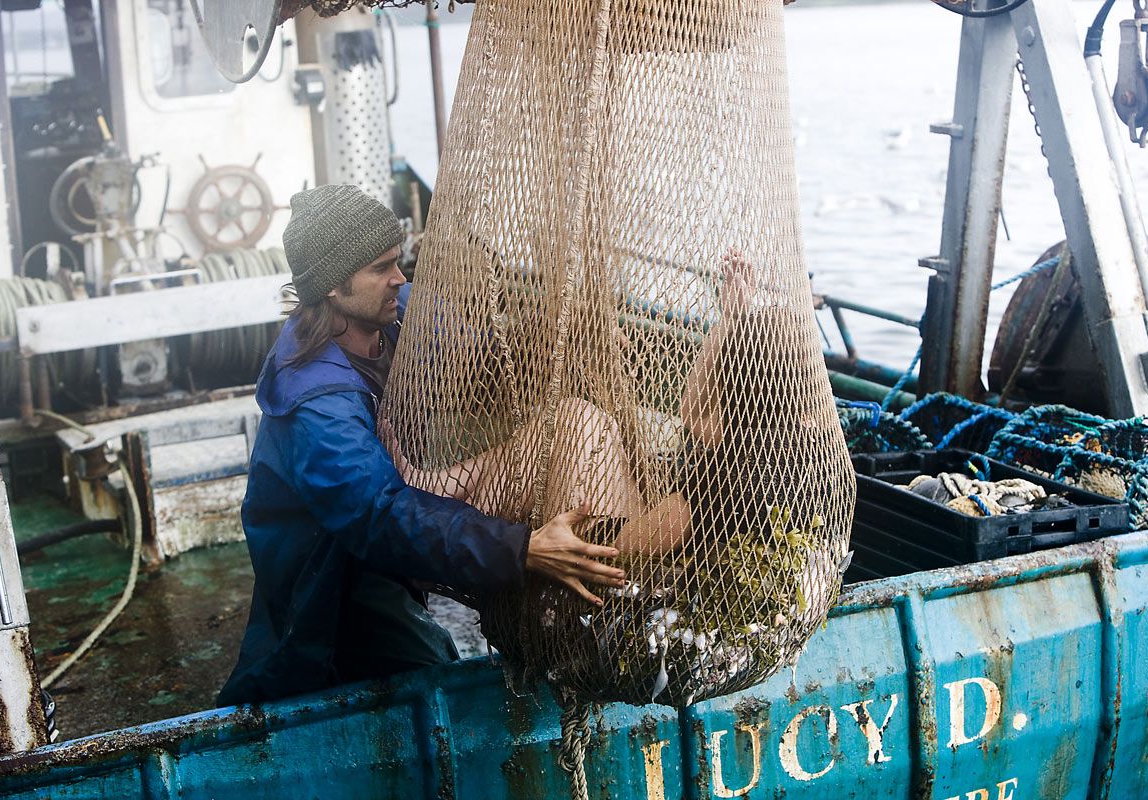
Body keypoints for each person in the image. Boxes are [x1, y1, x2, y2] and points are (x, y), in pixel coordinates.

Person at [217, 185, 625, 707]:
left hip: (399, 515)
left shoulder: (395, 317)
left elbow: (480, 349)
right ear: (333, 288)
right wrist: (519, 549)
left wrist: (549, 325)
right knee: (382, 681)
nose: (400, 278)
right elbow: (380, 515)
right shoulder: (317, 403)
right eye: (382, 269)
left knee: (574, 423)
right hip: (336, 579)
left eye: (400, 262)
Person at [380, 249, 798, 559]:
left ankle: (444, 493)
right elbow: (694, 414)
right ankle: (446, 488)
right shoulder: (796, 445)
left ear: (729, 410)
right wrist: (735, 319)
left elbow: (619, 551)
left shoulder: (713, 487)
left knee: (576, 425)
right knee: (584, 423)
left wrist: (546, 544)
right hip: (670, 533)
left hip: (620, 576)